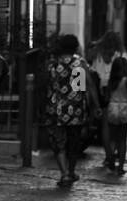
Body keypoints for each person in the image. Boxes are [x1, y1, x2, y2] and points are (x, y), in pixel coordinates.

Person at [43, 33, 101, 188]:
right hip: (74, 109)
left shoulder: (52, 63)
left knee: (58, 143)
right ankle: (71, 170)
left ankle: (64, 174)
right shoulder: (78, 63)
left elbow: (46, 85)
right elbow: (83, 86)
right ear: (75, 47)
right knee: (74, 141)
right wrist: (95, 105)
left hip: (54, 108)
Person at [89, 30, 127, 168]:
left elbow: (91, 71)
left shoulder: (97, 54)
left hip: (101, 92)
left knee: (105, 126)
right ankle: (115, 152)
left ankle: (108, 155)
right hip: (117, 92)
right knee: (119, 127)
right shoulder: (121, 55)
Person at [105, 55, 127, 175]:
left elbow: (107, 97)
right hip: (124, 108)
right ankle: (120, 167)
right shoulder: (126, 81)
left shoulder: (110, 81)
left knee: (112, 138)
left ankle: (111, 159)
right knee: (122, 139)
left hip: (112, 108)